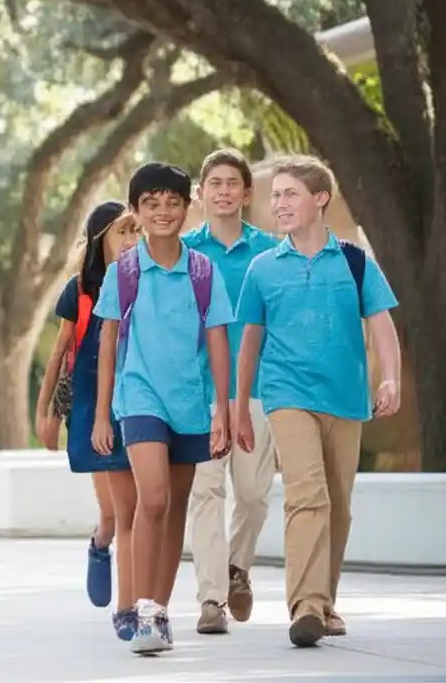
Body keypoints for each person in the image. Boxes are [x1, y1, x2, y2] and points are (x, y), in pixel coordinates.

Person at [234, 154, 401, 648]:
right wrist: (241, 404)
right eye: (276, 194)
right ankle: (305, 605)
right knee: (308, 495)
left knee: (339, 504)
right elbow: (250, 342)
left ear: (320, 199)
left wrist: (391, 379)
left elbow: (382, 325)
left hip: (346, 399)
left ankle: (324, 603)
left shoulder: (354, 261)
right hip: (287, 395)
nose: (278, 203)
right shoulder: (263, 269)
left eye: (290, 194)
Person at [92, 162, 234, 654]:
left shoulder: (202, 271)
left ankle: (157, 610)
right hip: (139, 398)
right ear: (136, 211)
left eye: (172, 203)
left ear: (186, 207)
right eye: (151, 204)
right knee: (152, 500)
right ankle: (143, 609)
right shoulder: (123, 272)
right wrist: (101, 414)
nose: (163, 212)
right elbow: (108, 343)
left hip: (190, 403)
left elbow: (218, 340)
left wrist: (223, 408)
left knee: (173, 510)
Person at [181, 148, 281, 634]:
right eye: (214, 183)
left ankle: (238, 567)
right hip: (199, 393)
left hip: (257, 390)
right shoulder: (183, 253)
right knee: (205, 491)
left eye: (231, 183)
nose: (223, 191)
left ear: (246, 192)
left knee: (254, 494)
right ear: (201, 193)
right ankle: (211, 599)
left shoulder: (269, 252)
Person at [34, 201, 141, 639]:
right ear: (101, 241)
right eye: (122, 232)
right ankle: (101, 545)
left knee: (133, 509)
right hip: (91, 408)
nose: (132, 240)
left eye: (136, 231)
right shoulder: (79, 290)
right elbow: (60, 354)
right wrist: (44, 414)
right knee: (115, 514)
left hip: (137, 403)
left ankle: (128, 607)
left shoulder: (147, 282)